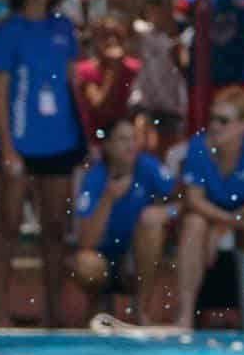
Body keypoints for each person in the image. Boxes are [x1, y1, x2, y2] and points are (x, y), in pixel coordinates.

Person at [0, 0, 83, 328]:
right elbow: (0, 92)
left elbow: (72, 85)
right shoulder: (8, 29)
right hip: (20, 143)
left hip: (60, 141)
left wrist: (85, 136)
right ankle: (0, 313)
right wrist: (7, 146)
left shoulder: (65, 28)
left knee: (55, 228)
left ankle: (53, 313)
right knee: (8, 226)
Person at [174, 85, 244, 331]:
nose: (215, 126)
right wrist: (223, 221)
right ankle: (184, 317)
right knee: (194, 223)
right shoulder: (198, 147)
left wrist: (223, 227)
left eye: (223, 121)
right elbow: (194, 201)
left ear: (242, 125)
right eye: (212, 119)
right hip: (211, 215)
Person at [70, 116, 174, 323]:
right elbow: (85, 243)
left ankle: (142, 310)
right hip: (105, 259)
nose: (130, 145)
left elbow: (184, 199)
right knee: (85, 264)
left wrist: (167, 212)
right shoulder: (95, 178)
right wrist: (108, 199)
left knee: (151, 223)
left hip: (136, 257)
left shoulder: (148, 166)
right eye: (123, 139)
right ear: (108, 146)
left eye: (133, 139)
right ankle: (96, 306)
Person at [130, 0, 187, 155]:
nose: (156, 15)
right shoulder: (142, 31)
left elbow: (184, 65)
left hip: (172, 106)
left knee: (169, 154)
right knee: (143, 147)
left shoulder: (181, 36)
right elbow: (128, 21)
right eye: (151, 10)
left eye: (161, 8)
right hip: (146, 103)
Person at [74, 14, 140, 141]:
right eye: (105, 37)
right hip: (97, 138)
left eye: (117, 36)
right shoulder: (85, 71)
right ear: (95, 40)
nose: (112, 41)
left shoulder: (135, 68)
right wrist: (113, 71)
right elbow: (99, 108)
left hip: (129, 139)